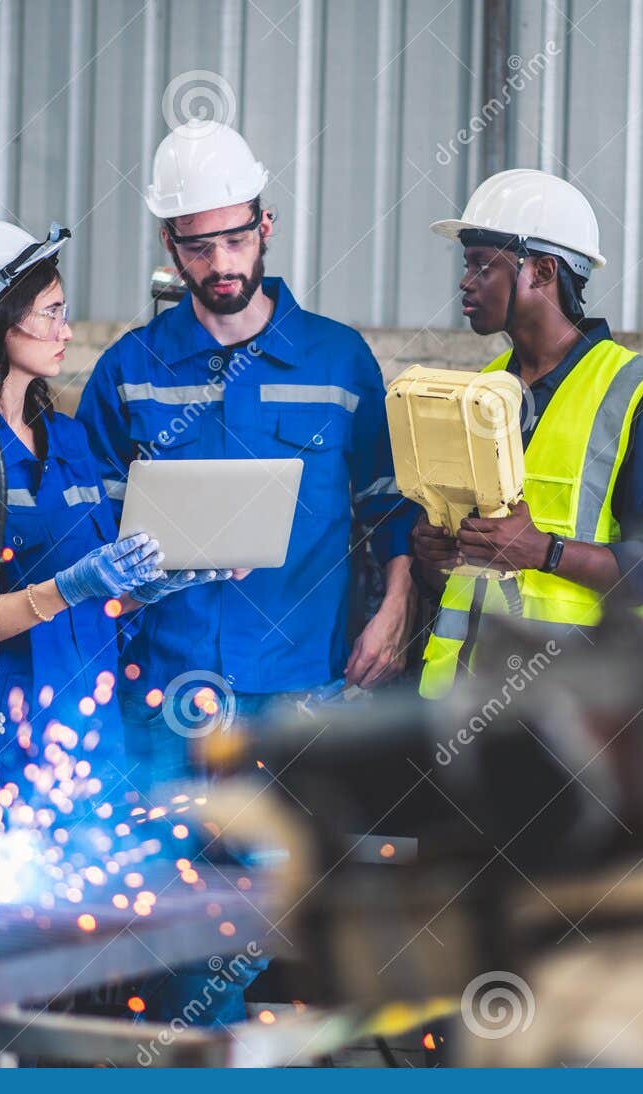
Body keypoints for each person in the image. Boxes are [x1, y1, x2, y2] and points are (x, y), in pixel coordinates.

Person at [75, 123, 420, 1024]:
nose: (221, 261)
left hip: (300, 691)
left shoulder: (339, 362)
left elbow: (389, 505)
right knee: (169, 916)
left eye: (235, 237)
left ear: (267, 225)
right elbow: (88, 537)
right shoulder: (130, 372)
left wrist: (394, 606)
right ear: (170, 248)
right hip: (165, 692)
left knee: (292, 920)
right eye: (199, 245)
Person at [0, 216, 225, 784]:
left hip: (86, 738)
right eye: (50, 313)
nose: (66, 330)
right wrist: (67, 587)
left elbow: (95, 601)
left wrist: (149, 588)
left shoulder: (71, 439)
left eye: (63, 311)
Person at [413, 169, 643, 698]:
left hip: (573, 721)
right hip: (455, 712)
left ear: (542, 270)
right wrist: (436, 556)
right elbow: (460, 580)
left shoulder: (640, 396)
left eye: (483, 264)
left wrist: (543, 552)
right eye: (467, 264)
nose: (465, 280)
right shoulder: (481, 390)